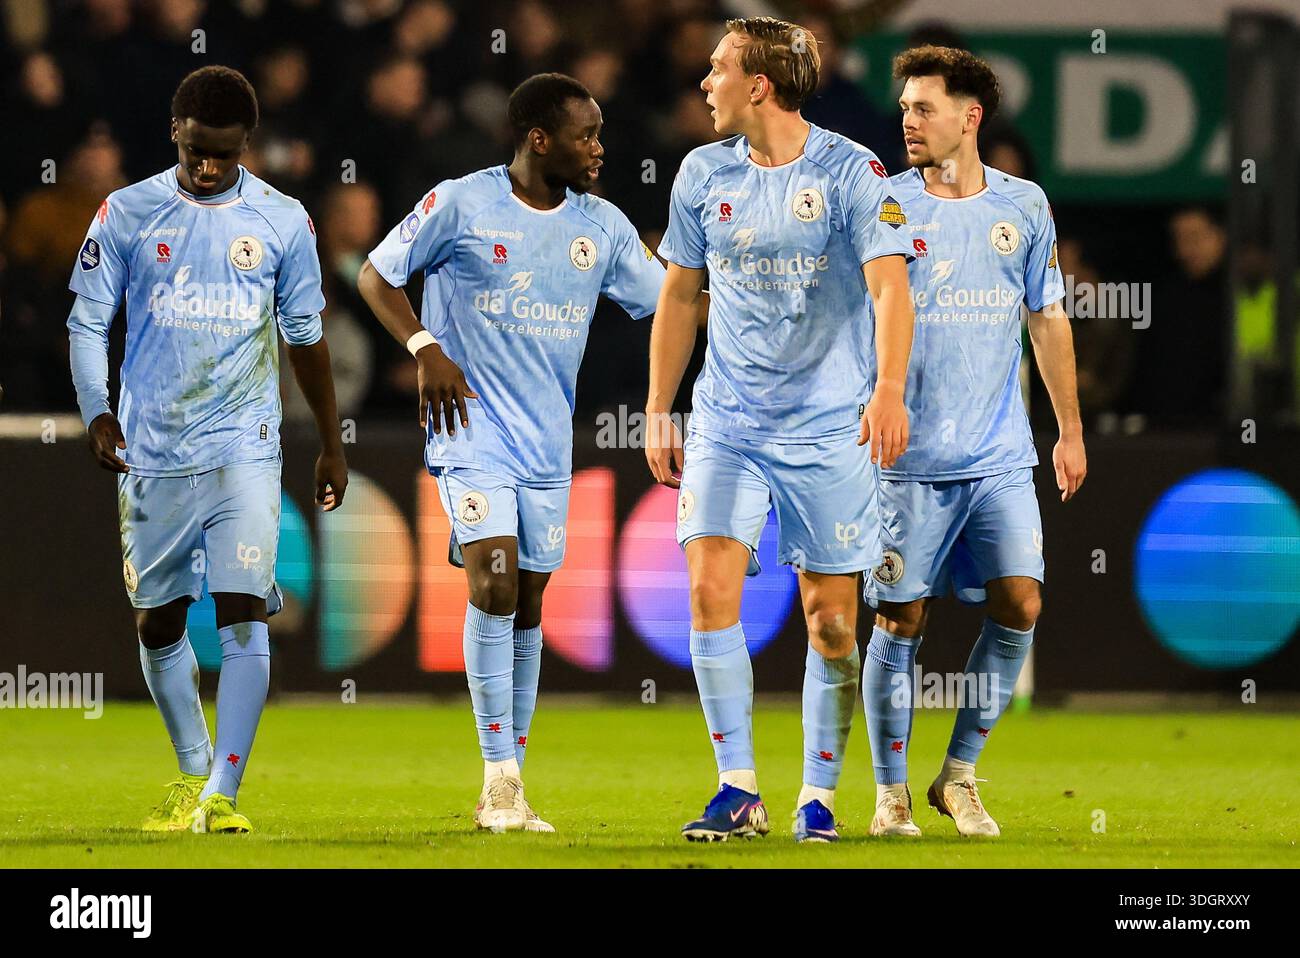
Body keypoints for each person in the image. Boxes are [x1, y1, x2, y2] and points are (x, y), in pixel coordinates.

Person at [357, 73, 666, 834]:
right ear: (538, 139)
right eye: (585, 135)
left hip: (545, 444)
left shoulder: (603, 228)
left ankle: (512, 782)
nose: (599, 149)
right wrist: (425, 346)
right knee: (492, 580)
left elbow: (670, 299)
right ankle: (496, 778)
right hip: (469, 432)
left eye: (599, 133)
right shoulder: (462, 202)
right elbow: (375, 274)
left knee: (527, 601)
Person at [646, 16, 916, 843]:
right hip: (729, 420)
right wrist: (661, 406)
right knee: (705, 590)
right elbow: (680, 294)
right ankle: (737, 789)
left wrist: (891, 390)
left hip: (831, 426)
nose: (705, 84)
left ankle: (819, 797)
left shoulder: (852, 171)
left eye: (718, 70)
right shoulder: (700, 173)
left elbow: (889, 290)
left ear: (758, 84)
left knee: (831, 622)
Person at [66, 65, 349, 834]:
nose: (210, 166)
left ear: (246, 144)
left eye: (225, 153)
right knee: (158, 622)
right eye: (197, 150)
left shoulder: (284, 220)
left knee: (243, 612)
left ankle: (224, 793)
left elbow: (307, 338)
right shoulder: (127, 213)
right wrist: (97, 412)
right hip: (151, 449)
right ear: (174, 132)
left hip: (245, 447)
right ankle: (191, 772)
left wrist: (330, 442)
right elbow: (87, 324)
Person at [864, 46, 1086, 837]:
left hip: (998, 454)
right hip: (907, 461)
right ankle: (890, 793)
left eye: (924, 108)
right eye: (905, 108)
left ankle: (957, 777)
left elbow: (1047, 316)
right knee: (900, 620)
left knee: (1021, 601)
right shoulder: (887, 204)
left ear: (971, 117)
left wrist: (1069, 429)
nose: (908, 120)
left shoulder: (1024, 205)